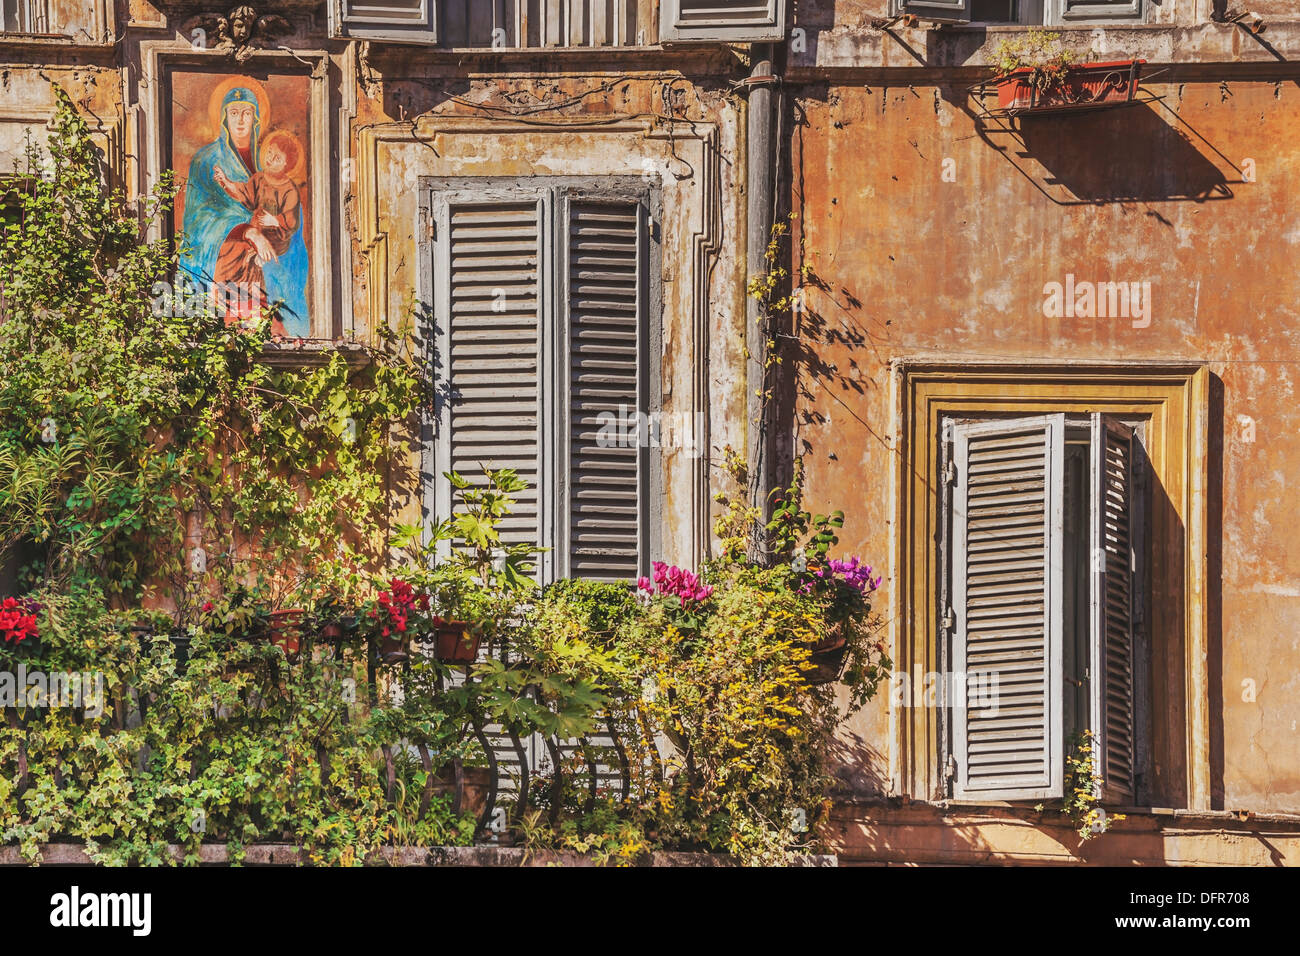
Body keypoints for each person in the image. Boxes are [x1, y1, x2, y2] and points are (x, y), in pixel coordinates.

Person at [179, 85, 310, 336]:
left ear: (256, 118)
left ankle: (278, 327)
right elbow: (199, 218)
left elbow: (291, 212)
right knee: (232, 322)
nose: (240, 120)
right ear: (224, 118)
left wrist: (275, 226)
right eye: (234, 112)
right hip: (224, 254)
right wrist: (248, 231)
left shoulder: (269, 159)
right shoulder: (206, 160)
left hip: (268, 256)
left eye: (247, 113)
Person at [211, 133, 304, 333]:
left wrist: (275, 220)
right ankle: (231, 319)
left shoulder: (289, 190)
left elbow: (292, 220)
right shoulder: (259, 178)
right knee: (232, 256)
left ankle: (250, 322)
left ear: (287, 164)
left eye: (277, 157)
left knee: (246, 269)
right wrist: (226, 182)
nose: (270, 158)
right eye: (269, 152)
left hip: (275, 239)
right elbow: (244, 194)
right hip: (253, 238)